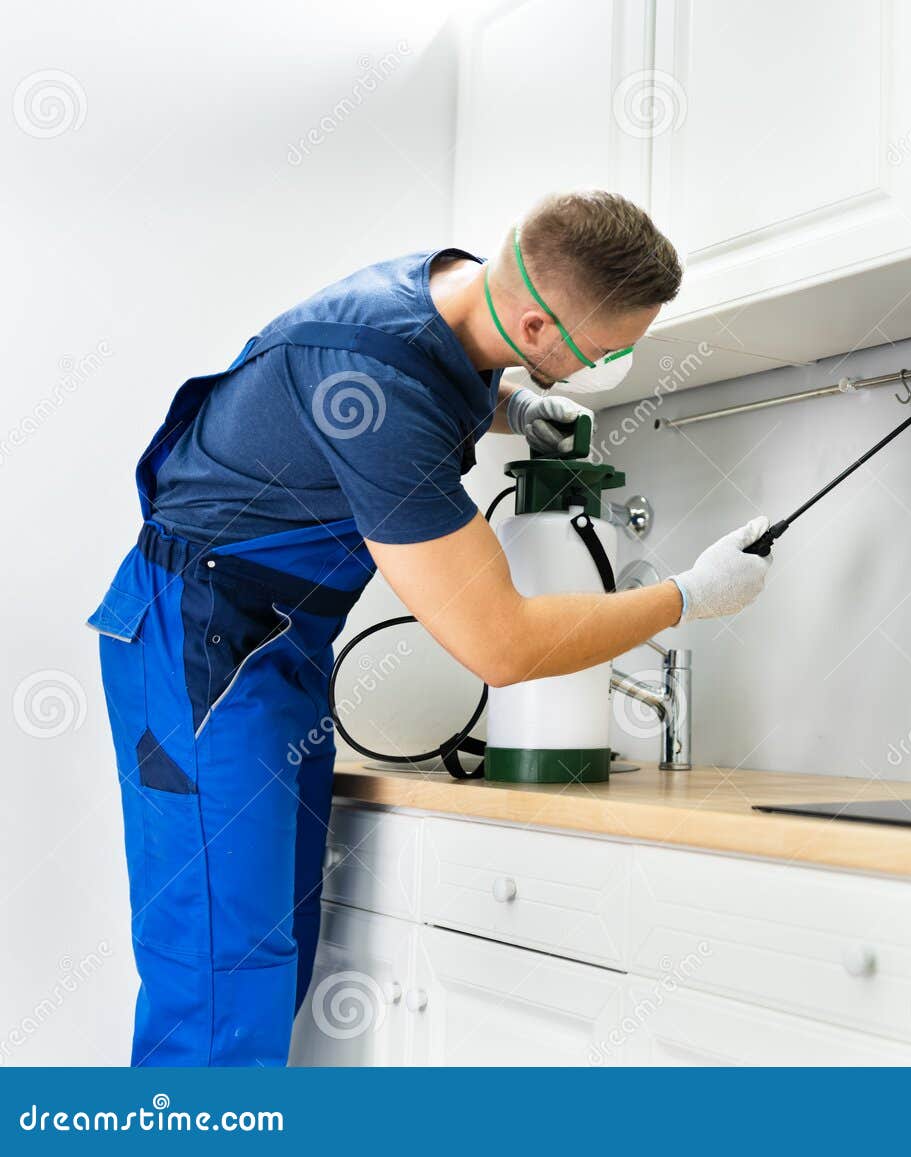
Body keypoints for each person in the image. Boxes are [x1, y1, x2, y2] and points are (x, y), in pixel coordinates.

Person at [86, 190, 772, 1066]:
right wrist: (688, 596)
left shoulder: (452, 293)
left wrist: (509, 407)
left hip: (271, 644)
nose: (613, 358)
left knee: (269, 960)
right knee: (220, 990)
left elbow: (431, 377)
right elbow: (502, 643)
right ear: (533, 324)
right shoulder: (373, 382)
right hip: (197, 641)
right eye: (609, 347)